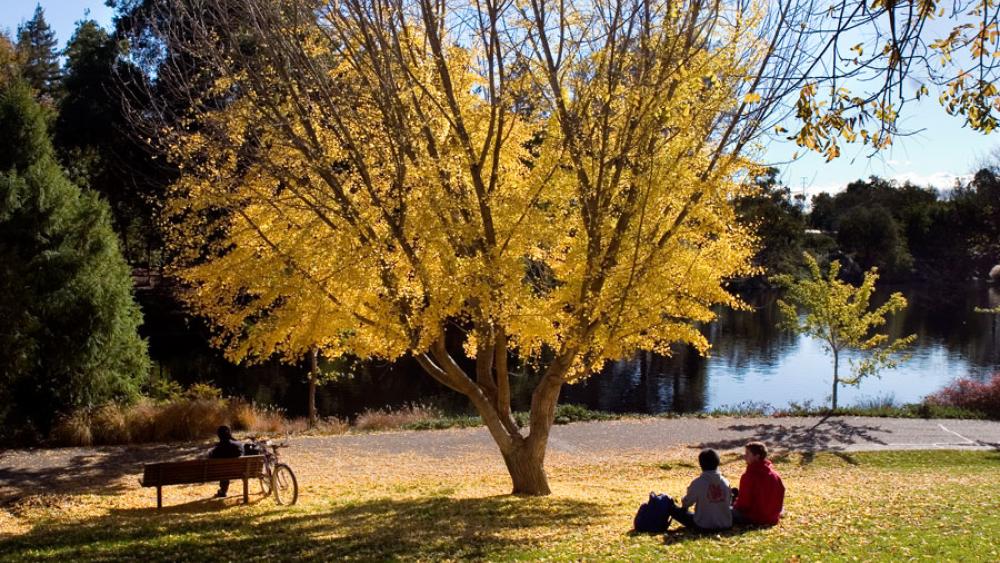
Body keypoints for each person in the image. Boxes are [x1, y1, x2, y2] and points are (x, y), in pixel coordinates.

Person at [664, 448, 733, 531]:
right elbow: (728, 502)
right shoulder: (725, 482)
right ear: (717, 463)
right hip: (725, 524)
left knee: (671, 508)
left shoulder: (698, 483)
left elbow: (686, 503)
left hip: (703, 526)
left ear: (701, 464)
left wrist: (683, 500)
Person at [732, 441, 785, 526]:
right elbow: (780, 495)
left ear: (757, 456)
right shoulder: (775, 475)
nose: (744, 456)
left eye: (747, 454)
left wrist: (734, 505)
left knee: (725, 510)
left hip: (755, 518)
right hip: (772, 517)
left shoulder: (749, 476)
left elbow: (743, 505)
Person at [208, 425, 243, 498]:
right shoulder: (238, 446)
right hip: (240, 471)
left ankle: (223, 491)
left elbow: (211, 456)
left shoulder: (218, 449)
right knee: (226, 468)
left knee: (223, 469)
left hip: (223, 472)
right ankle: (223, 491)